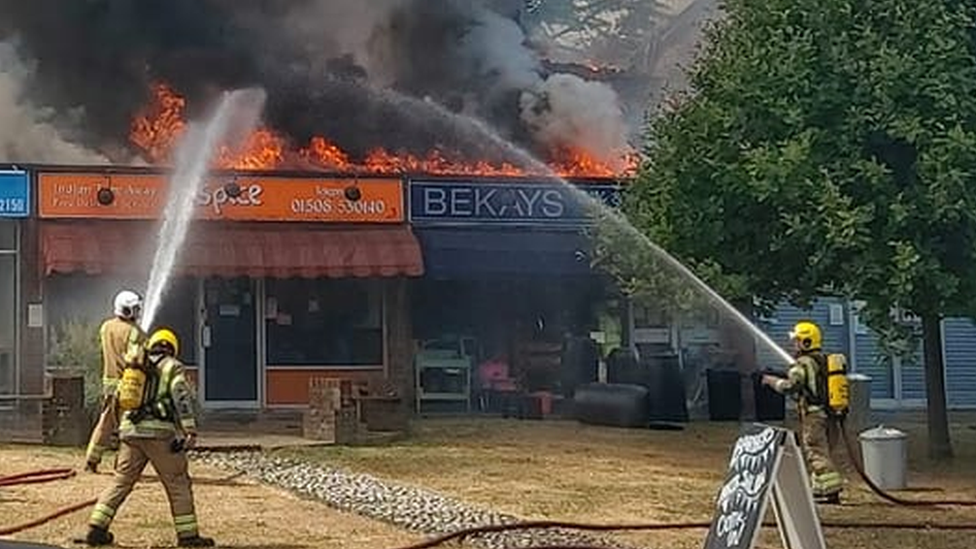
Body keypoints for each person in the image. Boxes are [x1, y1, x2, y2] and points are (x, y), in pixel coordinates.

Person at [85, 328, 214, 547]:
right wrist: (190, 430)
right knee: (177, 482)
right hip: (160, 435)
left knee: (121, 481)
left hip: (130, 432)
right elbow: (181, 397)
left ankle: (96, 528)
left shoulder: (134, 366)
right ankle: (188, 536)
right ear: (172, 348)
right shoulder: (173, 367)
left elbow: (118, 400)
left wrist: (120, 431)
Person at [762, 320, 844, 504]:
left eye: (797, 340)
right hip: (830, 415)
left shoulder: (802, 363)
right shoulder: (823, 360)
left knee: (815, 451)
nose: (794, 345)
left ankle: (831, 492)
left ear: (806, 342)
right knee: (823, 452)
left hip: (814, 416)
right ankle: (820, 491)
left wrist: (772, 381)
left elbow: (792, 386)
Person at [85, 290, 149, 473]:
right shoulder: (135, 332)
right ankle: (122, 466)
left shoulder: (106, 327)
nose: (137, 313)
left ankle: (91, 460)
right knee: (128, 428)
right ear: (126, 310)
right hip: (129, 386)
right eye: (134, 309)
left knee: (104, 424)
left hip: (109, 386)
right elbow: (136, 359)